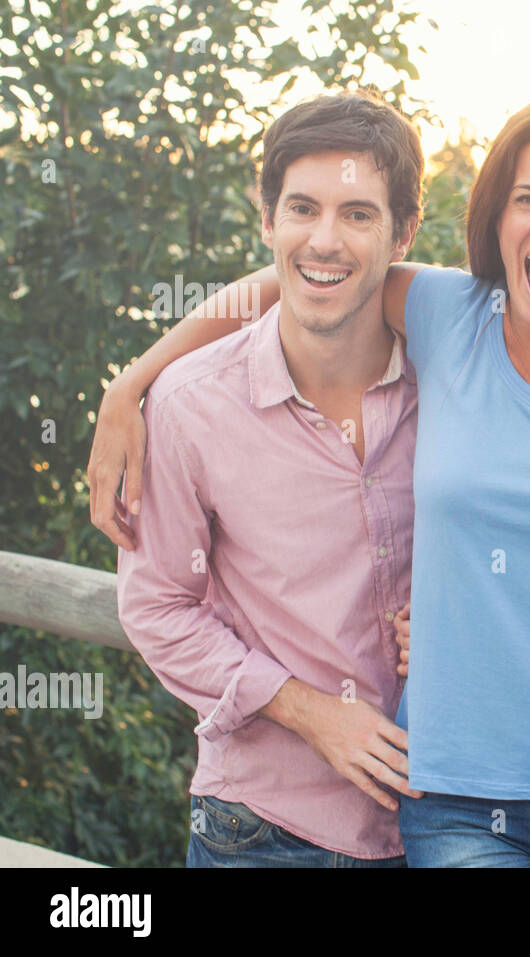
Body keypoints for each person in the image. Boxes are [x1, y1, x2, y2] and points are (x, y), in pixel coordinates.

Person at [93, 93, 530, 868]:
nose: (327, 239)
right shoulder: (438, 323)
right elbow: (309, 275)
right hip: (295, 820)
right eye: (301, 208)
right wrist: (134, 380)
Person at [113, 91, 425, 866]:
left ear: (404, 231)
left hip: (445, 826)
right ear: (267, 222)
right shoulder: (192, 406)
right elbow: (156, 605)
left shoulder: (455, 376)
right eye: (302, 209)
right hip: (261, 829)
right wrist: (312, 712)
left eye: (358, 214)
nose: (325, 240)